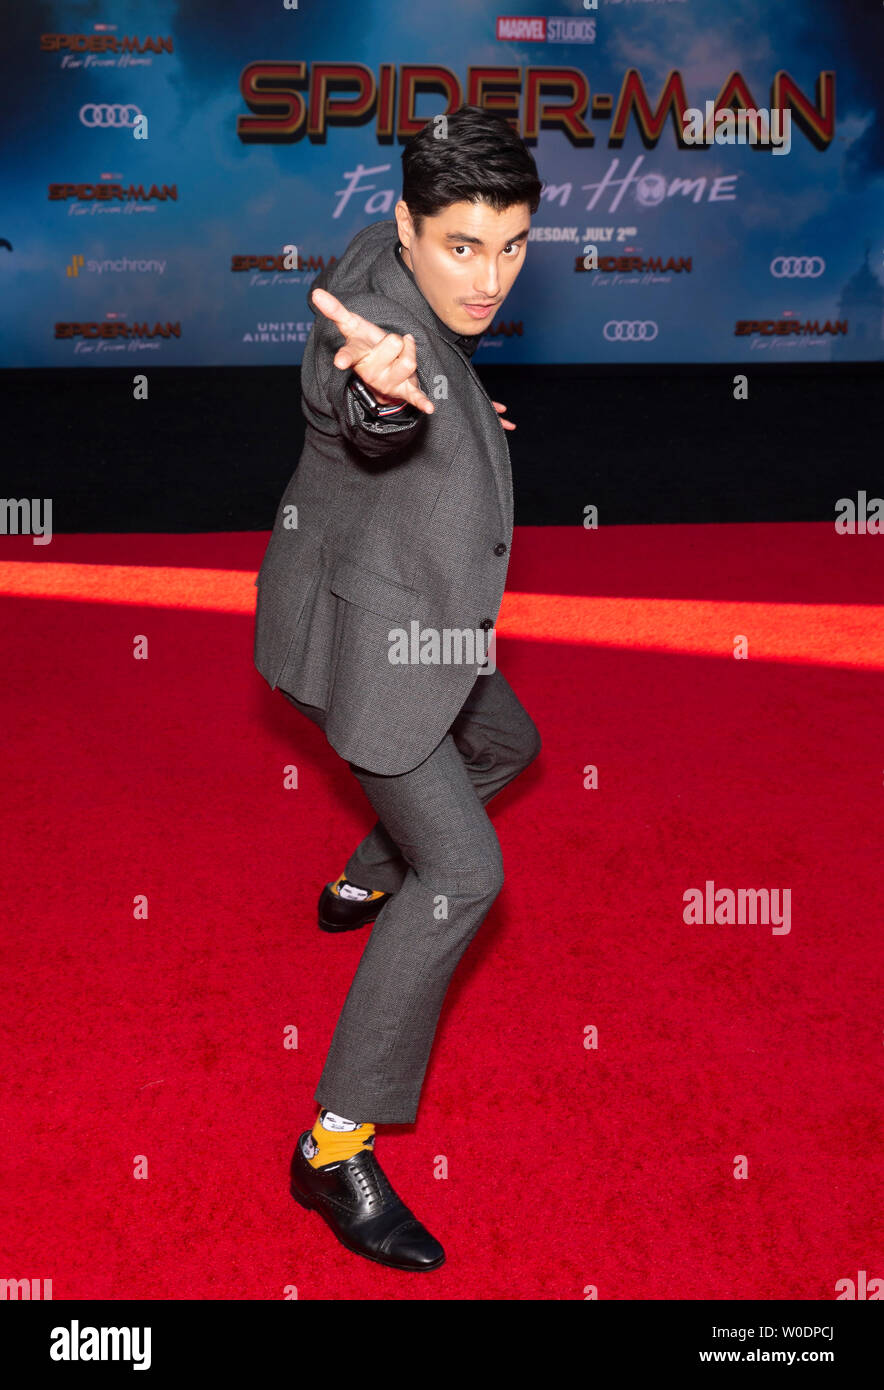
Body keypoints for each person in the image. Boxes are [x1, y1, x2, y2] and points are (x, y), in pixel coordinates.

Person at [254, 105, 543, 1272]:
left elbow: (429, 358)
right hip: (372, 648)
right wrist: (394, 394)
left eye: (513, 244)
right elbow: (361, 393)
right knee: (469, 872)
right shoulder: (370, 324)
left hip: (411, 616)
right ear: (402, 227)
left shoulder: (395, 267)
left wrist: (461, 406)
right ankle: (332, 1147)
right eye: (462, 246)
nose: (489, 277)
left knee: (510, 743)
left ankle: (361, 871)